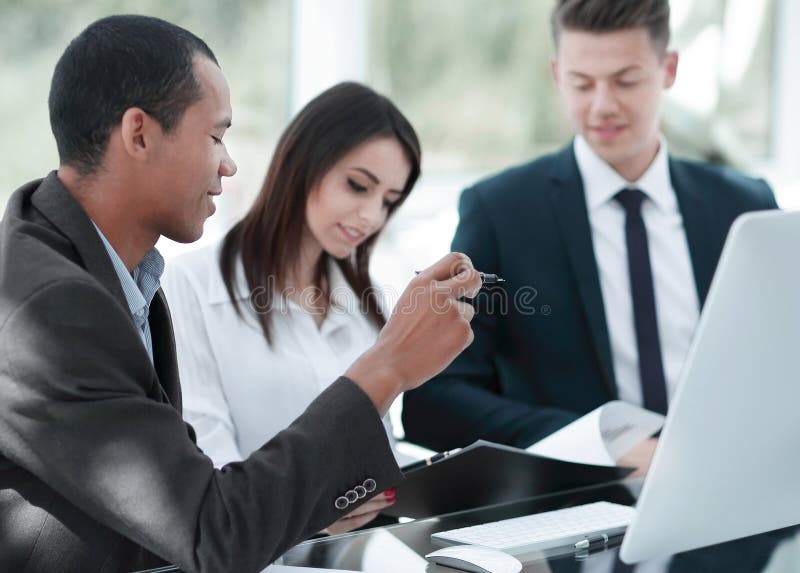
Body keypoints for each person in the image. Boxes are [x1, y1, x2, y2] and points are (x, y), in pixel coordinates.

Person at [0, 15, 482, 573]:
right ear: (139, 134)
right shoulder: (54, 307)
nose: (229, 165)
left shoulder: (119, 274)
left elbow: (181, 504)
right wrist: (388, 365)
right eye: (215, 137)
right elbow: (212, 531)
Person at [402, 0, 778, 475]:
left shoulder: (743, 205)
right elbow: (434, 400)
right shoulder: (501, 211)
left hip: (737, 485)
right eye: (582, 83)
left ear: (669, 69)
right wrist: (599, 445)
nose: (603, 106)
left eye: (626, 81)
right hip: (582, 500)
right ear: (557, 74)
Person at [161, 81, 421, 535]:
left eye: (388, 201)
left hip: (359, 552)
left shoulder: (369, 302)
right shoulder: (190, 285)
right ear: (303, 163)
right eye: (358, 186)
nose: (372, 216)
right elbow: (209, 473)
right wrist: (311, 514)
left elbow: (378, 455)